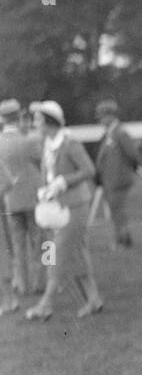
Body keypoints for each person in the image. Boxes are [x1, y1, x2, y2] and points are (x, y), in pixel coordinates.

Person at [24, 101, 104, 321]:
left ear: (50, 122)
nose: (34, 124)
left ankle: (46, 304)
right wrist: (44, 189)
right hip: (56, 208)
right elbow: (47, 174)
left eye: (38, 120)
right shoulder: (47, 144)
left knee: (55, 253)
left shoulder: (70, 144)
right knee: (76, 254)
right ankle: (94, 299)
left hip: (75, 207)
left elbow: (89, 170)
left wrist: (64, 182)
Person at [0, 98, 43, 296]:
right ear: (17, 116)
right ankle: (40, 281)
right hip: (34, 199)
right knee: (41, 242)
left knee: (18, 246)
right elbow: (42, 162)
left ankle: (23, 285)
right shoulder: (28, 141)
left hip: (11, 200)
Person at [93, 99, 141, 249]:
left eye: (102, 116)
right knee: (116, 211)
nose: (100, 120)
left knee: (117, 211)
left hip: (119, 180)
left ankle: (122, 241)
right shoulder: (109, 134)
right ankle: (123, 239)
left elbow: (132, 154)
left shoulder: (120, 133)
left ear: (110, 116)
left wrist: (129, 171)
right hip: (110, 181)